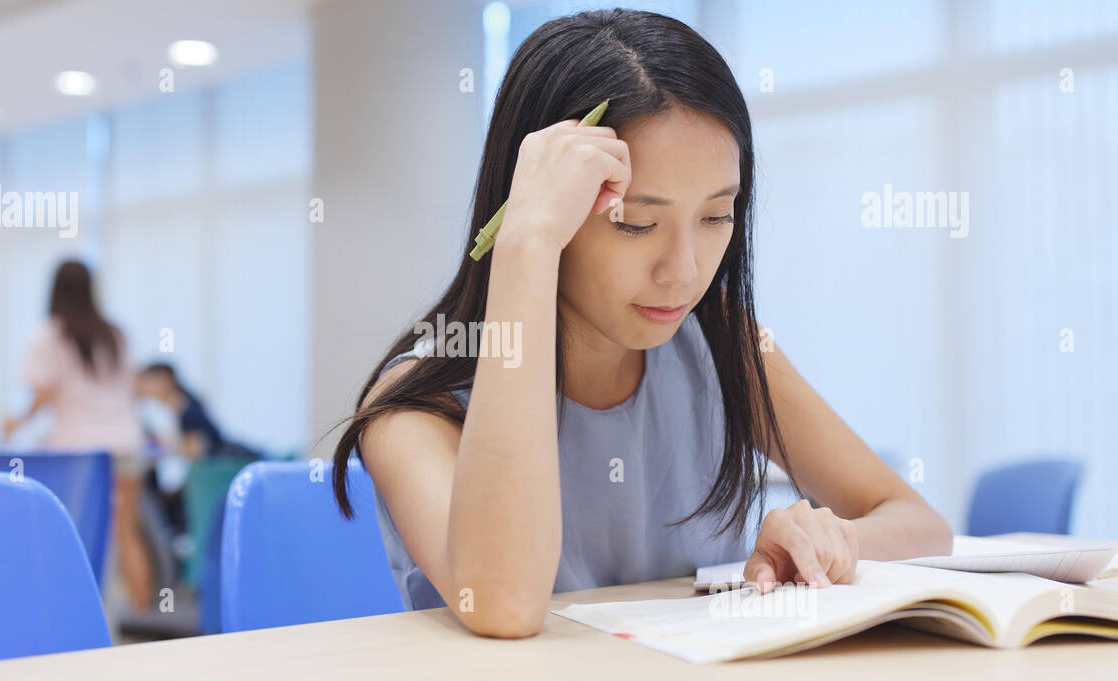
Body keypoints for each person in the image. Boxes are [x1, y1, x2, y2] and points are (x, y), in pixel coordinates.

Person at [329, 9, 952, 637]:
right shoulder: (415, 405)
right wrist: (526, 244)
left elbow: (919, 524)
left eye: (716, 216)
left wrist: (828, 539)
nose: (683, 271)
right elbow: (506, 604)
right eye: (635, 223)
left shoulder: (722, 343)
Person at [5, 258, 154, 614]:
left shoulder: (48, 335)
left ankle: (71, 619)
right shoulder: (114, 334)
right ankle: (150, 626)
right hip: (126, 443)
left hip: (79, 454)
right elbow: (131, 390)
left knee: (70, 537)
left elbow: (41, 394)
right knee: (127, 534)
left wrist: (15, 423)